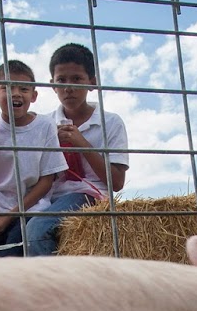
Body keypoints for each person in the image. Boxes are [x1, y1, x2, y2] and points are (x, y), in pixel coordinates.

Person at [23, 43, 130, 257]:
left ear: (92, 83)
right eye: (61, 80)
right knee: (3, 229)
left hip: (89, 195)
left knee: (36, 231)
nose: (68, 87)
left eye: (77, 79)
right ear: (52, 84)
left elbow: (116, 183)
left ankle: (54, 289)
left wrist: (81, 143)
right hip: (49, 197)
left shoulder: (111, 122)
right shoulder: (45, 124)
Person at [0, 60, 66, 256]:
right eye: (7, 87)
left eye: (24, 88)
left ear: (34, 95)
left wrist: (10, 216)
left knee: (8, 259)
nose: (16, 93)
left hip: (31, 210)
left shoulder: (45, 126)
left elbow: (47, 181)